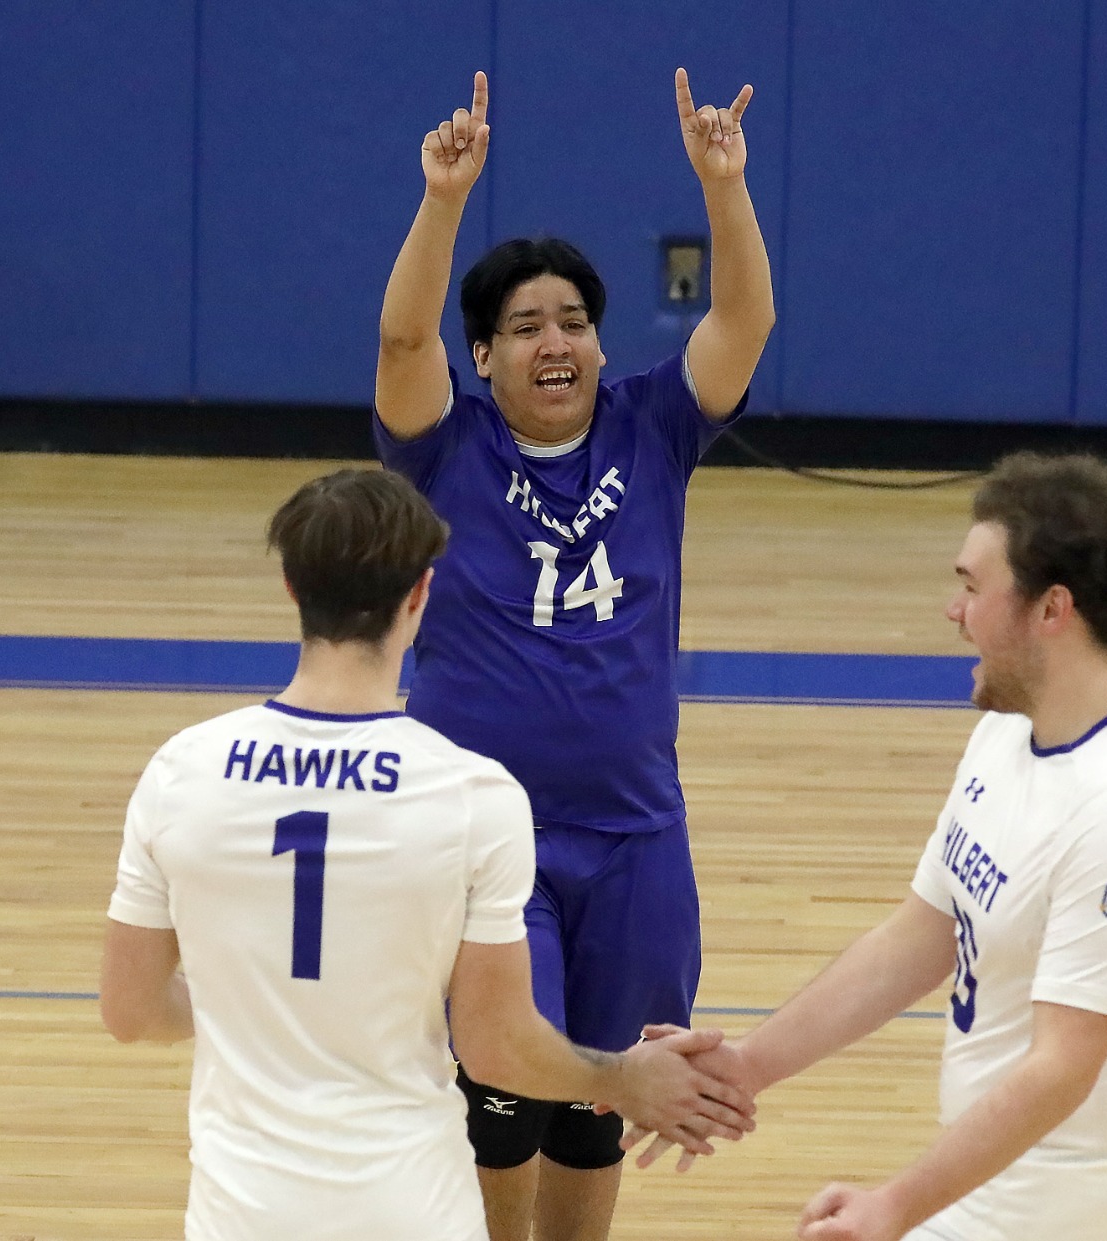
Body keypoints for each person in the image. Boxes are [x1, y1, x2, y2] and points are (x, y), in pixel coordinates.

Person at [97, 469, 755, 1241]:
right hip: (411, 1210)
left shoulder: (184, 769)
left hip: (241, 1214)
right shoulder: (472, 793)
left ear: (291, 587)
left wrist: (261, 1006)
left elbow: (131, 1010)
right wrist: (622, 1077)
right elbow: (496, 1043)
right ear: (420, 594)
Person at [370, 67, 776, 1241]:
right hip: (486, 832)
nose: (557, 342)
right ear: (485, 358)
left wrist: (722, 187)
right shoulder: (441, 447)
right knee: (503, 1095)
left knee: (603, 1097)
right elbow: (402, 333)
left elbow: (741, 322)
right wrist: (442, 199)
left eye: (575, 321)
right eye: (525, 327)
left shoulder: (654, 424)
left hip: (635, 827)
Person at [628, 453, 1107, 1241]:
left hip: (1064, 1219)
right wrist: (746, 1064)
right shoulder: (1009, 733)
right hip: (986, 1194)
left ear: (1051, 609)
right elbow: (919, 935)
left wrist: (895, 1205)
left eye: (975, 587)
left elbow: (1061, 1068)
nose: (954, 609)